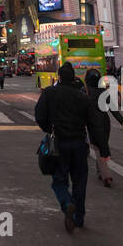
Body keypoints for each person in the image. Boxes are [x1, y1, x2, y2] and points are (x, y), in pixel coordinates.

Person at [35, 62, 95, 233]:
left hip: (58, 144)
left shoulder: (50, 93)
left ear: (59, 77)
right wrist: (99, 143)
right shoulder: (82, 96)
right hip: (79, 143)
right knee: (80, 181)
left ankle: (67, 203)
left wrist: (49, 129)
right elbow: (92, 122)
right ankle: (79, 217)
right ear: (73, 77)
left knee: (59, 180)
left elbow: (39, 115)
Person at [85, 68, 123, 187]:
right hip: (105, 123)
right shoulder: (103, 92)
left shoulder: (86, 92)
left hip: (93, 124)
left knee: (98, 149)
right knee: (102, 146)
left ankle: (106, 176)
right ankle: (100, 172)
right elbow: (113, 109)